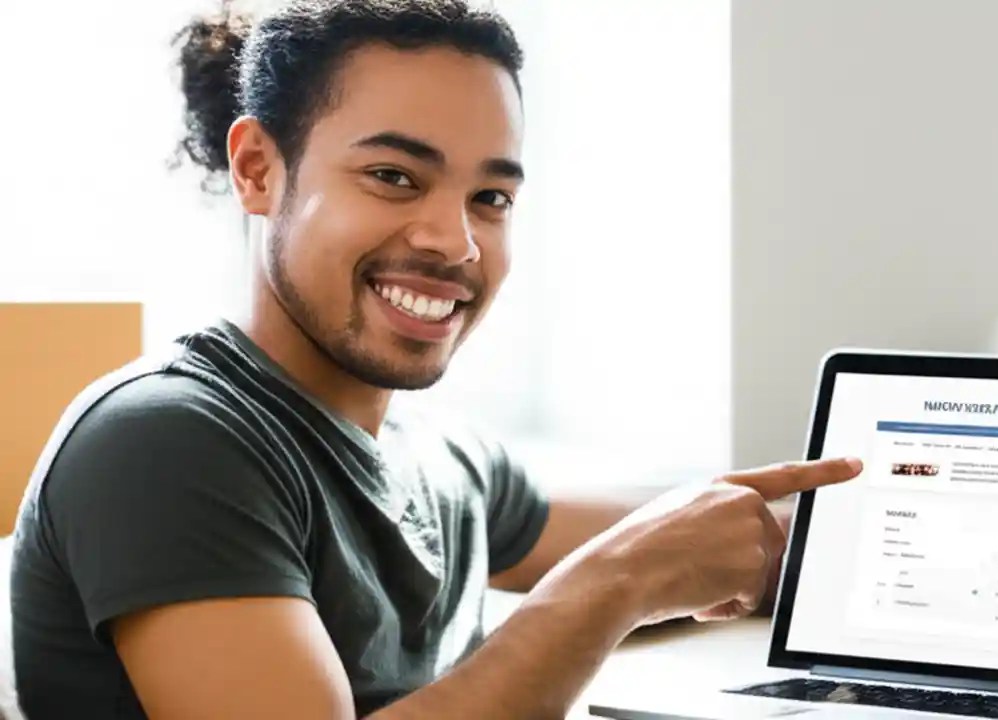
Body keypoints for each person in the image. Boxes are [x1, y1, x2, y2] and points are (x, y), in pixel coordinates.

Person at [8, 1, 863, 719]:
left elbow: (682, 544)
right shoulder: (167, 446)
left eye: (490, 198)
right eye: (393, 176)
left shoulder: (436, 455)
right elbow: (622, 570)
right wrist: (616, 586)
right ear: (260, 169)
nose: (455, 243)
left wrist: (902, 534)